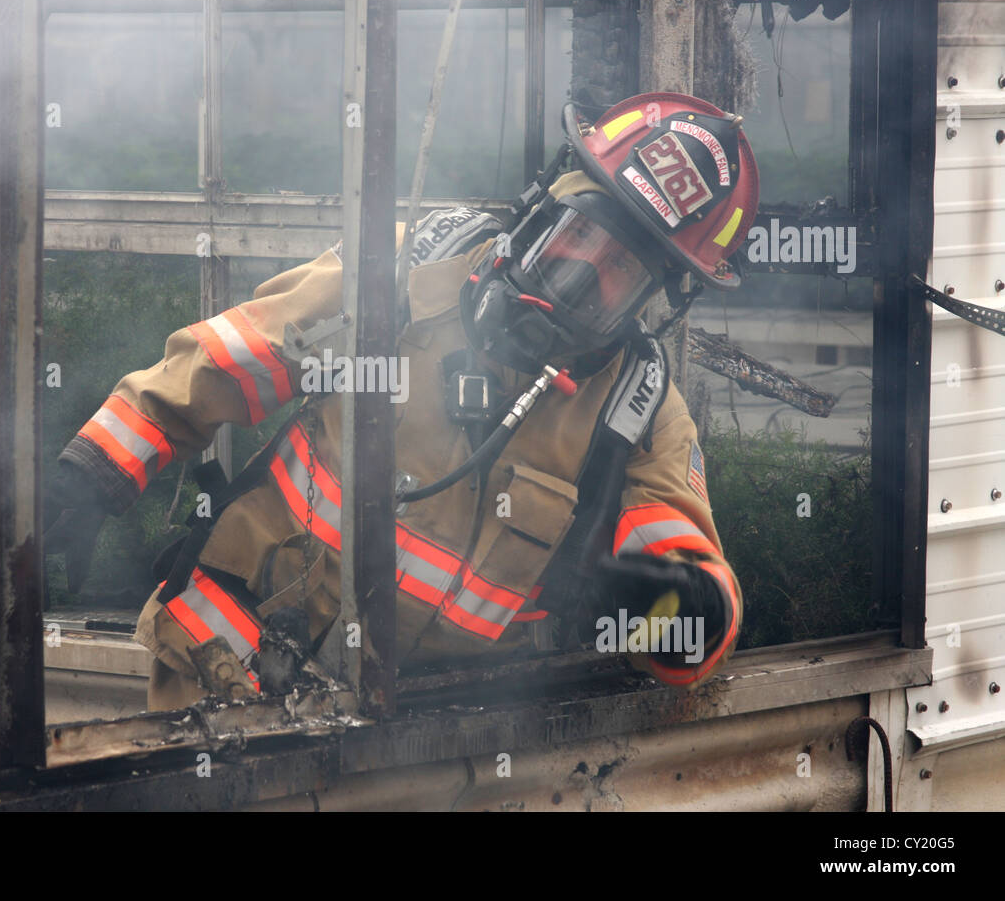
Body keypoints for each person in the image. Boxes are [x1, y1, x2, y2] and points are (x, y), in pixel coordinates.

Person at [45, 92, 760, 710]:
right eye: (577, 238)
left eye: (620, 273)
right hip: (227, 675)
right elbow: (220, 364)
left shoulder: (634, 411)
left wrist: (667, 608)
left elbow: (698, 595)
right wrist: (90, 476)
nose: (576, 281)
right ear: (543, 206)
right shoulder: (405, 272)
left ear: (652, 306)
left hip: (426, 739)